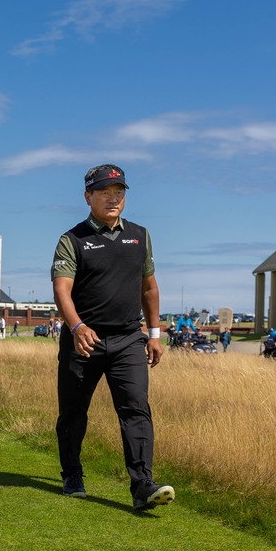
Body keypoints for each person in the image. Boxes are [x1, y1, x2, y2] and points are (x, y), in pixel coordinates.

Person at [51, 164, 173, 511]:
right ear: (88, 196)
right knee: (73, 413)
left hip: (127, 341)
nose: (113, 197)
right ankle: (72, 473)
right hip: (83, 342)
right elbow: (62, 291)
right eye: (105, 192)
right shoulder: (71, 240)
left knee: (136, 410)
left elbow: (149, 287)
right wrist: (76, 327)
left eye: (119, 191)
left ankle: (142, 486)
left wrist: (153, 334)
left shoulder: (140, 236)